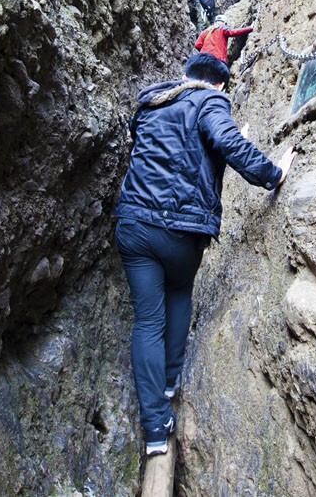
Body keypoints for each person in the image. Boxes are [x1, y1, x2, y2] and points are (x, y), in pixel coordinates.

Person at [113, 53, 296, 456]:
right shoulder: (210, 100)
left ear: (185, 75)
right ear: (220, 86)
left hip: (132, 225)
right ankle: (169, 380)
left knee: (146, 321)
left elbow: (166, 155)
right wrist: (274, 175)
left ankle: (155, 428)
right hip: (178, 230)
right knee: (179, 293)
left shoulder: (152, 103)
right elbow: (227, 142)